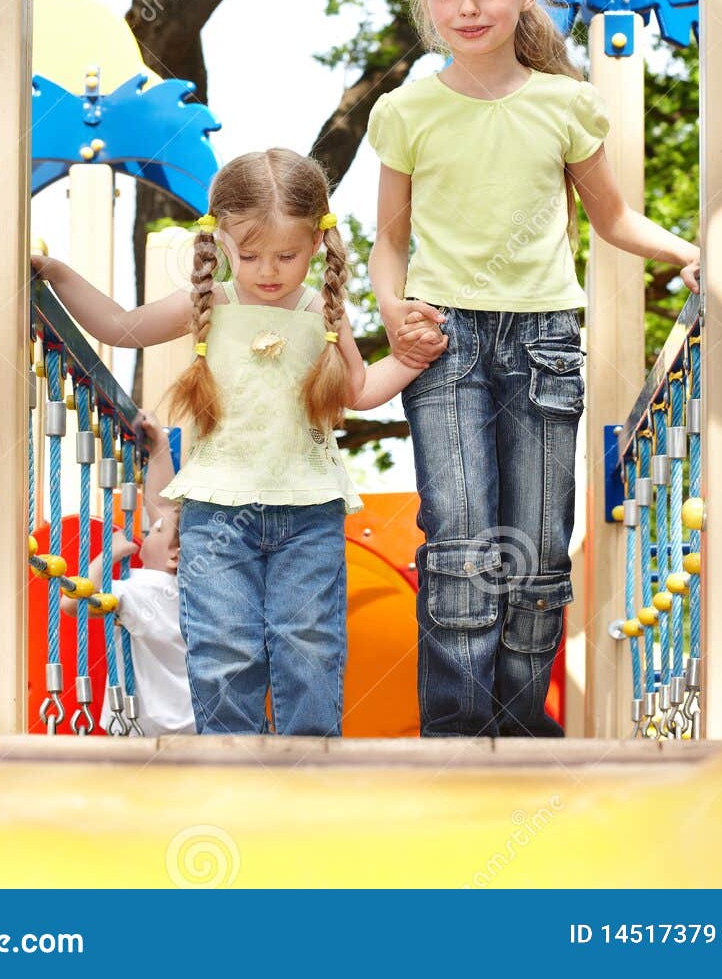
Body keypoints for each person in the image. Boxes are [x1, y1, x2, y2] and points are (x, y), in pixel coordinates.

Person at [366, 0, 701, 739]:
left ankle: (520, 736)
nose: (467, 6)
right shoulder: (406, 111)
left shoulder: (565, 104)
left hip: (544, 339)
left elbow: (614, 219)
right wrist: (390, 309)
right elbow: (388, 243)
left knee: (537, 550)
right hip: (443, 342)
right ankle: (455, 735)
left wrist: (688, 252)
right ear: (426, 4)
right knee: (460, 542)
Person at [36, 148, 441, 737]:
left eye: (287, 254)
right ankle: (231, 771)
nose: (268, 270)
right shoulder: (210, 305)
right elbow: (121, 328)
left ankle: (309, 774)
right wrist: (58, 274)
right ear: (222, 243)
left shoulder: (320, 311)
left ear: (317, 243)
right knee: (224, 648)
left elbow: (359, 389)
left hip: (308, 512)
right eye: (249, 255)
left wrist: (405, 360)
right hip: (216, 516)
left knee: (309, 644)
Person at [59, 411, 194, 737]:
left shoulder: (142, 588)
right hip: (194, 725)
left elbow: (71, 604)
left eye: (156, 530)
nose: (149, 527)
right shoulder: (195, 593)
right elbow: (162, 506)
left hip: (142, 729)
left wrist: (110, 555)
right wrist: (160, 446)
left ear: (174, 556)